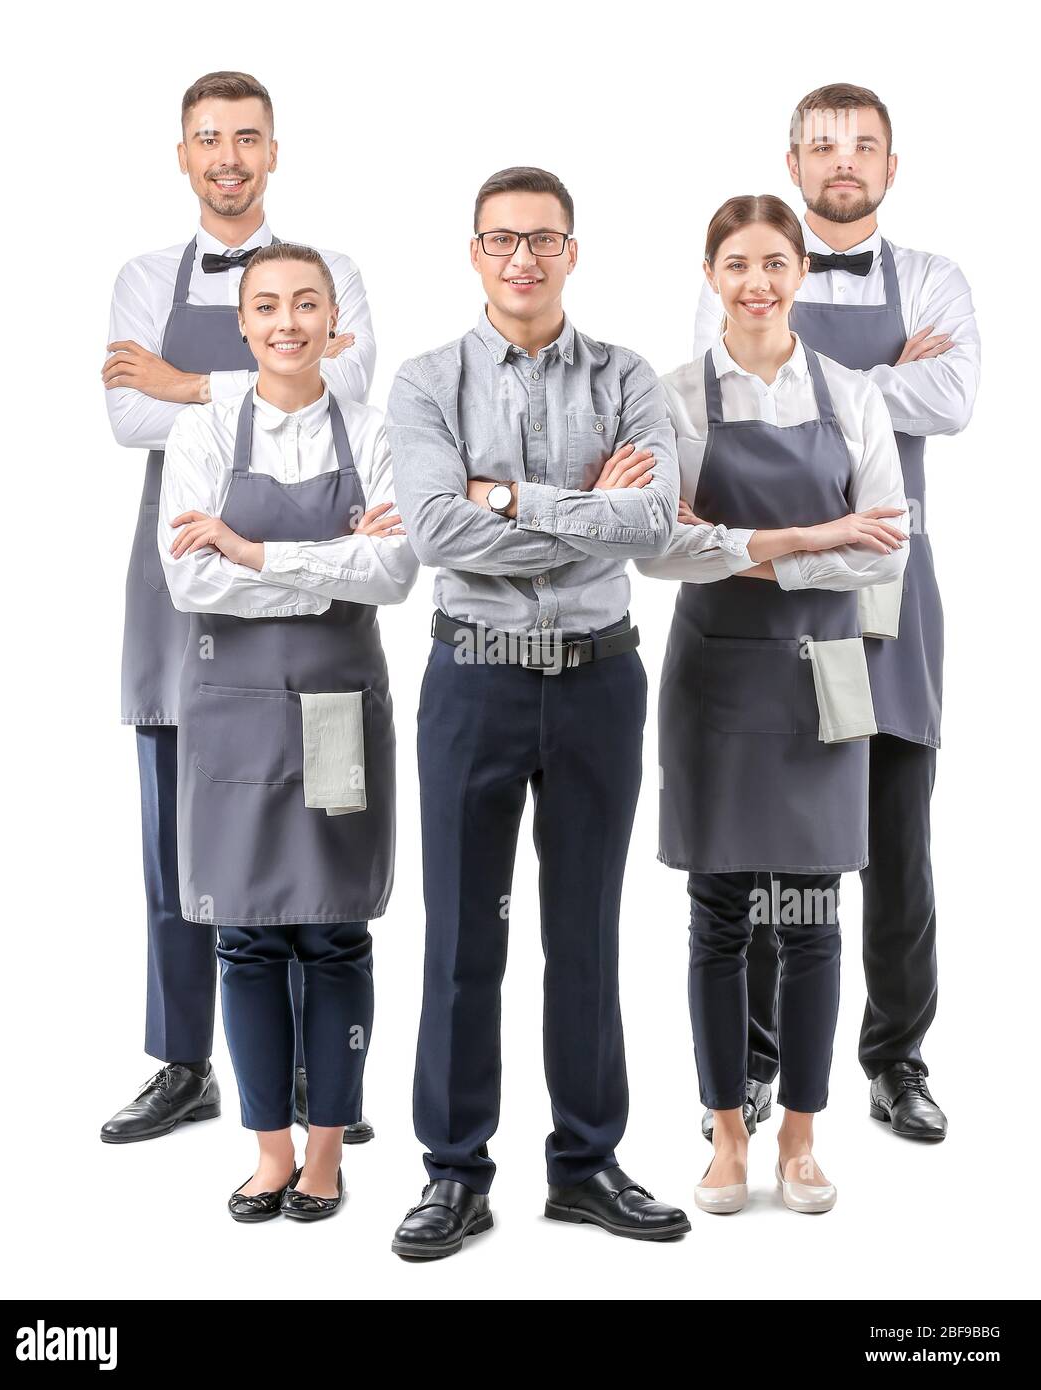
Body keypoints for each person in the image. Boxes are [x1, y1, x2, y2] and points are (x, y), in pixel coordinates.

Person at [386, 166, 690, 1260]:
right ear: (474, 252)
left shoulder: (627, 377)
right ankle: (453, 1172)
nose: (523, 257)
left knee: (587, 935)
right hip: (472, 679)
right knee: (463, 937)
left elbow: (651, 523)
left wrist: (504, 496)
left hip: (600, 679)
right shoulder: (426, 383)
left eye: (543, 238)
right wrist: (583, 514)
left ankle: (586, 1163)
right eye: (501, 238)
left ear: (573, 250)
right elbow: (429, 528)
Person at [693, 84, 980, 1144]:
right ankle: (762, 1058)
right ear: (793, 161)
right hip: (772, 591)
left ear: (890, 166)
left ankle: (895, 1058)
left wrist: (817, 378)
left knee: (897, 834)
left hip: (891, 587)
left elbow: (953, 400)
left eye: (862, 146)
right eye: (821, 147)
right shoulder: (744, 270)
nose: (841, 162)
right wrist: (877, 379)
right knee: (778, 831)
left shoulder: (935, 279)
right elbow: (732, 400)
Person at [100, 71, 376, 1145]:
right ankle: (184, 1061)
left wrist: (187, 382)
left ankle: (320, 1082)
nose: (227, 156)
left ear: (273, 152)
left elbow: (350, 396)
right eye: (207, 139)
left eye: (245, 138)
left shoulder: (333, 271)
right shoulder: (140, 275)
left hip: (314, 600)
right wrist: (243, 380)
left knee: (319, 826)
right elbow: (128, 417)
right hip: (178, 581)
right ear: (183, 155)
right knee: (180, 834)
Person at [638, 195, 909, 1214]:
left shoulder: (852, 393)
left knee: (811, 917)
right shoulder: (673, 400)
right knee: (716, 915)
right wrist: (807, 538)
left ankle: (800, 1136)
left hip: (823, 678)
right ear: (710, 273)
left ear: (799, 272)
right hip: (715, 680)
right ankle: (724, 1134)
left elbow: (886, 537)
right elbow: (657, 547)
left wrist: (737, 544)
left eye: (775, 262)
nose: (757, 281)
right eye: (737, 262)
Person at [159, 243, 416, 1219]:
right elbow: (190, 580)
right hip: (230, 719)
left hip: (336, 715)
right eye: (266, 305)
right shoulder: (202, 433)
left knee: (332, 931)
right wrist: (330, 560)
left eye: (306, 304)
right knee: (247, 939)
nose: (286, 323)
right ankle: (269, 1150)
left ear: (333, 320)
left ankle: (324, 1151)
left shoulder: (377, 430)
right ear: (242, 321)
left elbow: (393, 574)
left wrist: (254, 549)